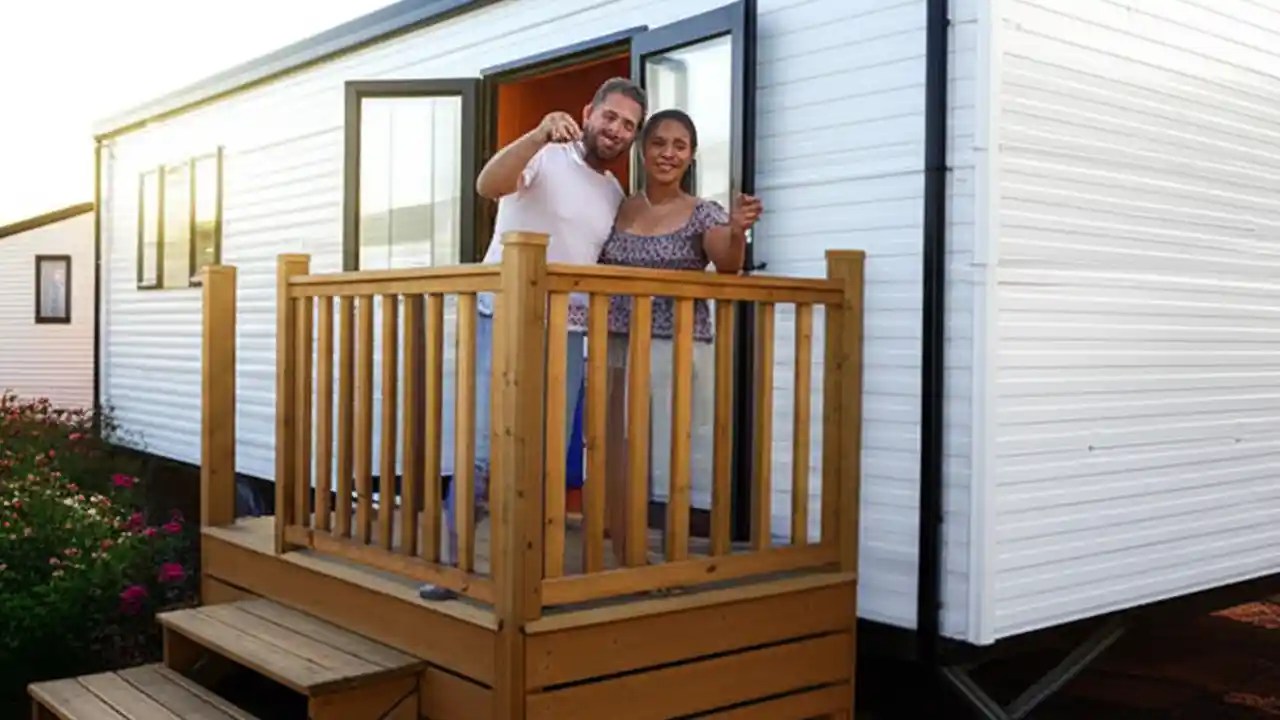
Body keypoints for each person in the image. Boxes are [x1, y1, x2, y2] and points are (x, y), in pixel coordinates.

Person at [419, 77, 647, 600]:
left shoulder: (613, 193)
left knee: (543, 456)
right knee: (482, 448)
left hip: (566, 332)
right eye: (610, 116)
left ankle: (527, 571)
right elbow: (488, 184)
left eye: (628, 125)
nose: (616, 130)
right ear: (588, 112)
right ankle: (455, 570)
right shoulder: (545, 155)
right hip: (500, 317)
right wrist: (539, 133)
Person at [598, 108, 763, 562]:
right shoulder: (619, 206)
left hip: (675, 345)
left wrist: (736, 230)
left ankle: (670, 555)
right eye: (658, 143)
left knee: (670, 449)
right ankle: (626, 549)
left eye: (679, 146)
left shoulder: (702, 211)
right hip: (616, 343)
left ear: (691, 156)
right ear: (642, 150)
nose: (667, 153)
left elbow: (726, 262)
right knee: (619, 448)